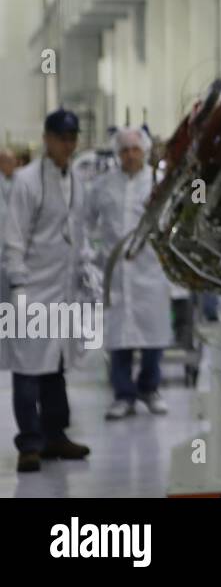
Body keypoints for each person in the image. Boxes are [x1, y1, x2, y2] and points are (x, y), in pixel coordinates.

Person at [0, 110, 95, 472]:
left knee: (55, 364)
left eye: (73, 138)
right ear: (47, 139)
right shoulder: (26, 181)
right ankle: (29, 444)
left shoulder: (75, 179)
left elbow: (77, 231)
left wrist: (86, 268)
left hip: (63, 288)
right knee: (27, 369)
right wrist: (19, 283)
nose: (68, 145)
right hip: (31, 289)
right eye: (62, 138)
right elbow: (14, 236)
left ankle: (55, 435)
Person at [85, 126, 173, 420]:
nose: (130, 155)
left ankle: (149, 388)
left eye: (135, 150)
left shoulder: (160, 184)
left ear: (145, 152)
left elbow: (176, 221)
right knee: (118, 337)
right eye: (124, 151)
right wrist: (90, 255)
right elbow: (85, 221)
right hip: (116, 273)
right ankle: (123, 395)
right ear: (117, 154)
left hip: (150, 270)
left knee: (154, 334)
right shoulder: (102, 185)